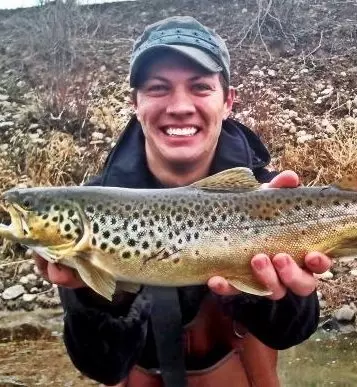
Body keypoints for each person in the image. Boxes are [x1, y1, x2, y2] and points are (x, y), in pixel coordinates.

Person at [34, 16, 332, 387]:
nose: (179, 106)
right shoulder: (94, 210)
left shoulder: (268, 197)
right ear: (135, 103)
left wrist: (270, 297)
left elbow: (292, 333)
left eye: (201, 87)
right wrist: (95, 300)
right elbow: (102, 368)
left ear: (228, 102)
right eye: (158, 88)